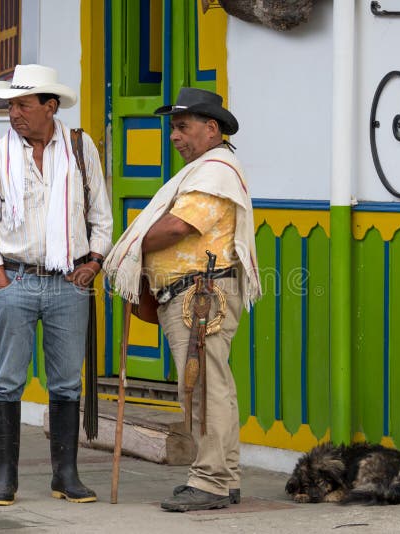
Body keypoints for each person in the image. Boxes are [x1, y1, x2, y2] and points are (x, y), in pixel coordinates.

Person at [104, 87, 262, 512]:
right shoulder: (209, 169)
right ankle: (222, 477)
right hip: (194, 292)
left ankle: (210, 480)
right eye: (173, 127)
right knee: (211, 386)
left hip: (201, 294)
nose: (174, 136)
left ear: (211, 129)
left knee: (203, 388)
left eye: (183, 126)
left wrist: (126, 248)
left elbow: (177, 227)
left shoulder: (216, 173)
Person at [0, 64, 113, 506]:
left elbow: (100, 215)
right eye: (10, 105)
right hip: (15, 279)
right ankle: (5, 479)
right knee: (8, 381)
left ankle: (65, 475)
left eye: (22, 104)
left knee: (67, 383)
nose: (13, 113)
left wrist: (95, 262)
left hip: (68, 282)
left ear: (50, 107)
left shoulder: (79, 147)